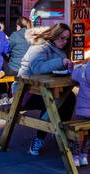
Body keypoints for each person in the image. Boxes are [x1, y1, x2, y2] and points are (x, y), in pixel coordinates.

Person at [20, 24, 73, 156]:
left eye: (67, 39)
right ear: (54, 36)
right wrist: (61, 62)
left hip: (47, 88)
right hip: (26, 91)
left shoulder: (59, 49)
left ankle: (61, 132)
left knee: (69, 97)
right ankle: (39, 138)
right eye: (62, 38)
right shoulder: (39, 47)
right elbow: (37, 68)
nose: (65, 42)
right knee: (52, 101)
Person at [6, 16, 33, 88]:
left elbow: (6, 49)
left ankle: (5, 94)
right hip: (29, 69)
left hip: (15, 69)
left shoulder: (15, 35)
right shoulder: (32, 35)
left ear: (18, 26)